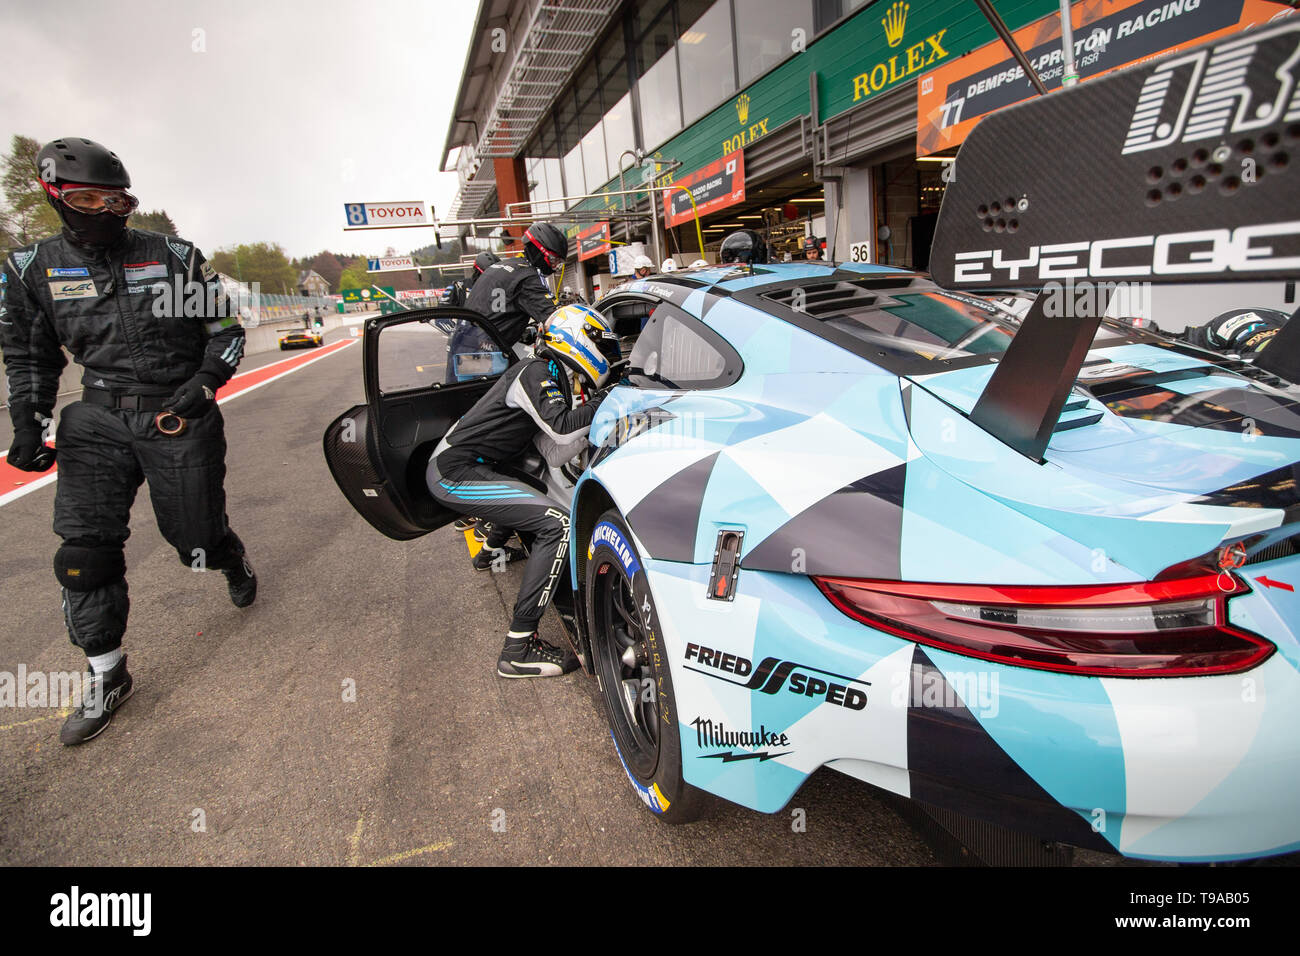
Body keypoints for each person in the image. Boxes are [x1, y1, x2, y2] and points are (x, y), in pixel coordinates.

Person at [0, 137, 255, 745]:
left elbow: (226, 330)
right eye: (89, 198)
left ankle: (227, 552)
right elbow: (28, 357)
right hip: (97, 417)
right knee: (83, 551)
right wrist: (28, 424)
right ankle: (107, 672)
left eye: (117, 199)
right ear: (55, 195)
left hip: (178, 413)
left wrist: (205, 381)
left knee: (191, 539)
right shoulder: (30, 267)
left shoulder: (173, 254)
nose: (106, 210)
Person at [426, 303, 621, 678]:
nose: (609, 358)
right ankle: (518, 648)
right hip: (454, 473)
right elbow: (563, 427)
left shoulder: (549, 374)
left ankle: (488, 552)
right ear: (580, 340)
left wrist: (599, 434)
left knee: (533, 488)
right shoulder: (536, 371)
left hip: (479, 468)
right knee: (557, 523)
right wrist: (606, 399)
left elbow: (551, 448)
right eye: (605, 348)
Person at [465, 223, 566, 349]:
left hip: (465, 347)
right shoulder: (527, 276)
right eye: (553, 260)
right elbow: (557, 320)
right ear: (539, 252)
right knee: (541, 366)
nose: (555, 267)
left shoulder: (498, 268)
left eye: (559, 263)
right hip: (489, 356)